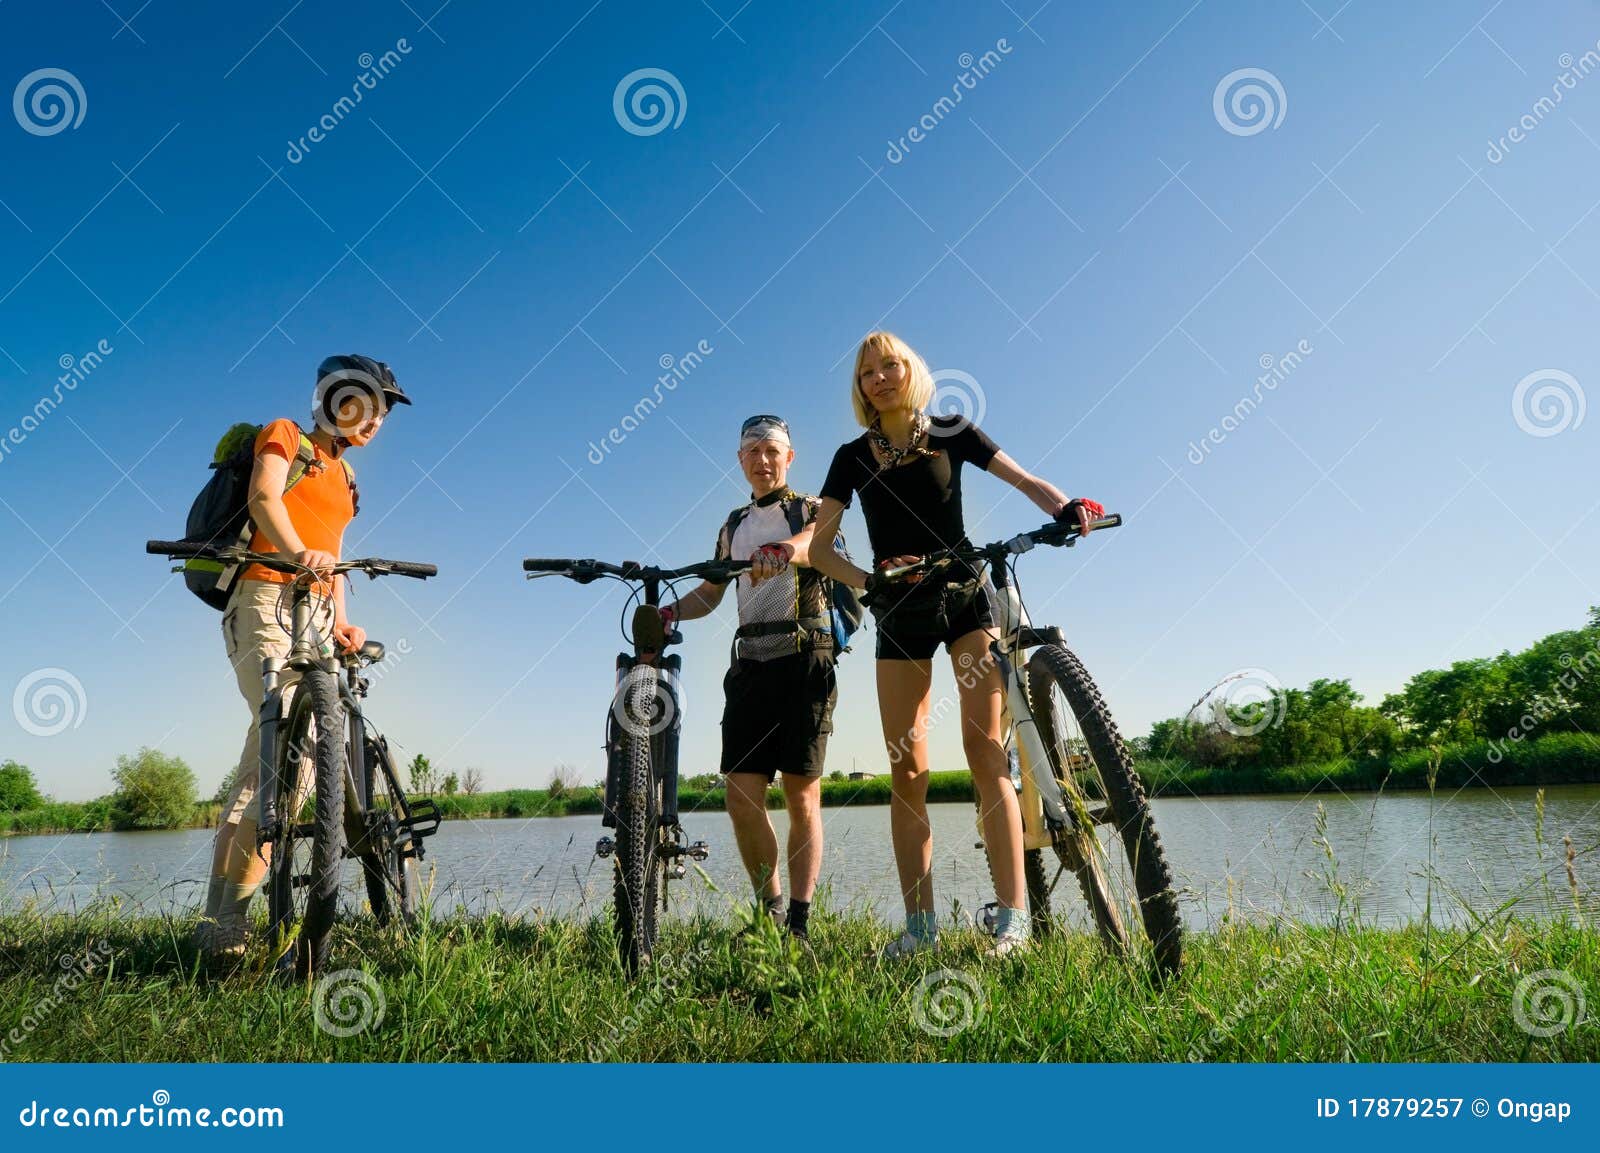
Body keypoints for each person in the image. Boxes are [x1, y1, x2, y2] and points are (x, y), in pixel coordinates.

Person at [808, 331, 1101, 958]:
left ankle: (1014, 921)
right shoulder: (851, 457)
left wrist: (1067, 504)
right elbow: (819, 547)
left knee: (983, 750)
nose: (880, 378)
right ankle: (920, 927)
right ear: (860, 389)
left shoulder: (952, 431)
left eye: (891, 365)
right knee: (906, 769)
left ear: (912, 370)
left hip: (965, 597)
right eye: (867, 373)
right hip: (898, 609)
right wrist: (870, 581)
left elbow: (1025, 481)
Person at [195, 354, 411, 958]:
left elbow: (334, 554)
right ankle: (224, 931)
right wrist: (296, 555)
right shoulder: (286, 433)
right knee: (272, 753)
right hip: (264, 594)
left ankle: (276, 909)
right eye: (370, 404)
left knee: (311, 752)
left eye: (385, 412)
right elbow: (266, 500)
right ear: (337, 398)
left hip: (315, 609)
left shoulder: (345, 480)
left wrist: (341, 618)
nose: (377, 421)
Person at [661, 415, 837, 942]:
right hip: (750, 665)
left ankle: (801, 924)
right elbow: (712, 592)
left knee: (803, 796)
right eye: (752, 451)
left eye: (772, 450)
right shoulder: (732, 524)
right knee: (740, 795)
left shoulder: (808, 509)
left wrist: (783, 551)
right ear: (740, 460)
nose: (762, 460)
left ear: (790, 457)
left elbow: (814, 544)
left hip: (805, 658)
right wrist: (671, 612)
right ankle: (772, 910)